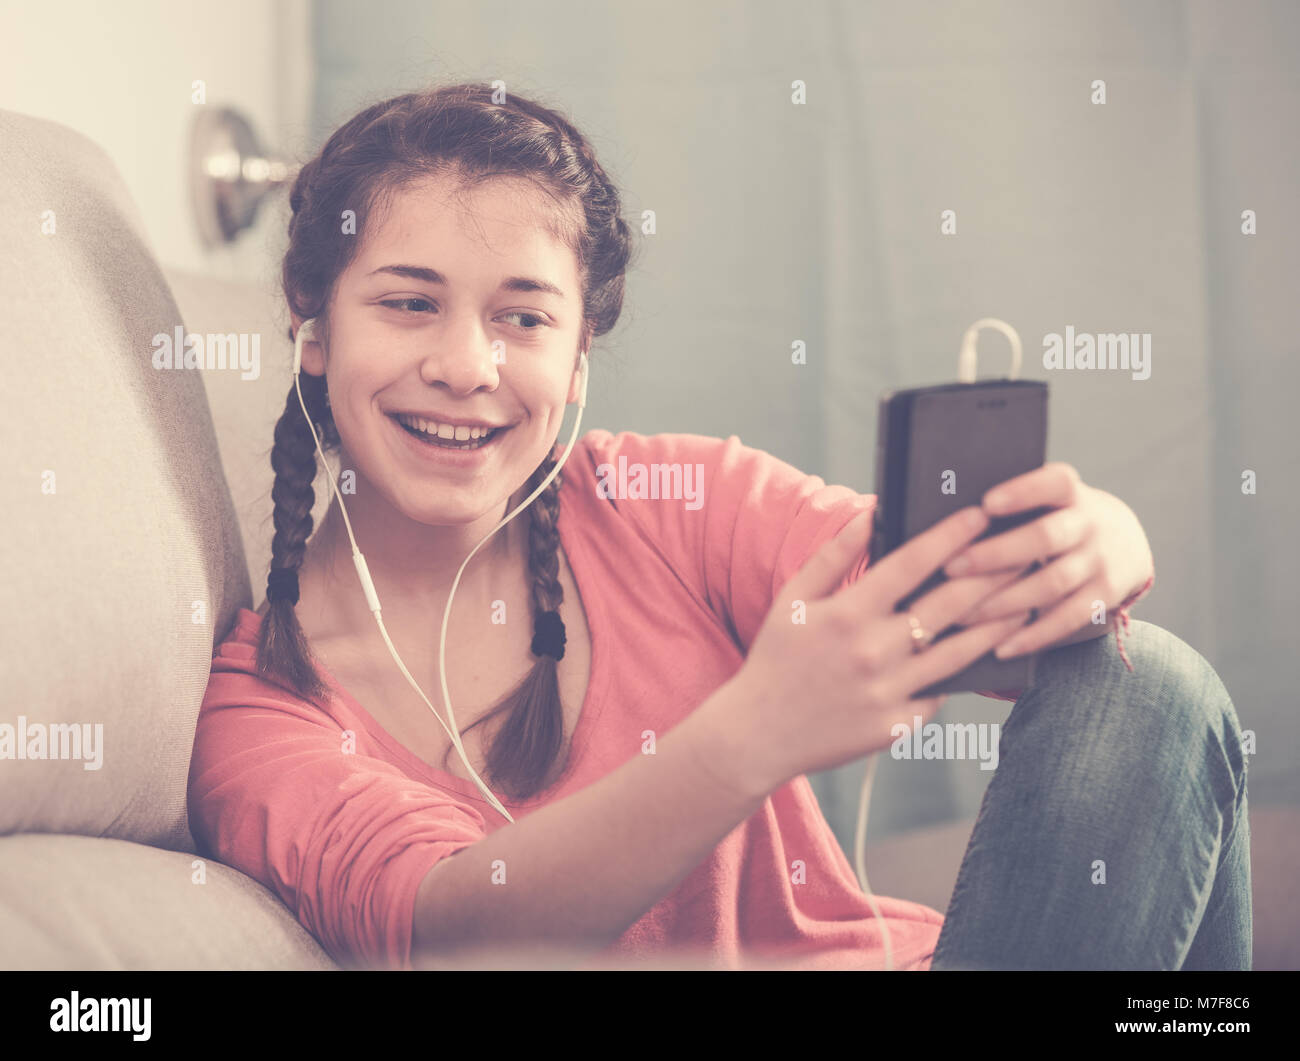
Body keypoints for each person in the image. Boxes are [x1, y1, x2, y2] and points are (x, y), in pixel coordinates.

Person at [187, 82, 1250, 972]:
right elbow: (454, 930)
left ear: (577, 363)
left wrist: (1095, 538)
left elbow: (958, 600)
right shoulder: (259, 711)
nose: (469, 366)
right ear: (312, 323)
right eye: (409, 303)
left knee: (1142, 680)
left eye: (523, 318)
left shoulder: (664, 499)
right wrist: (755, 732)